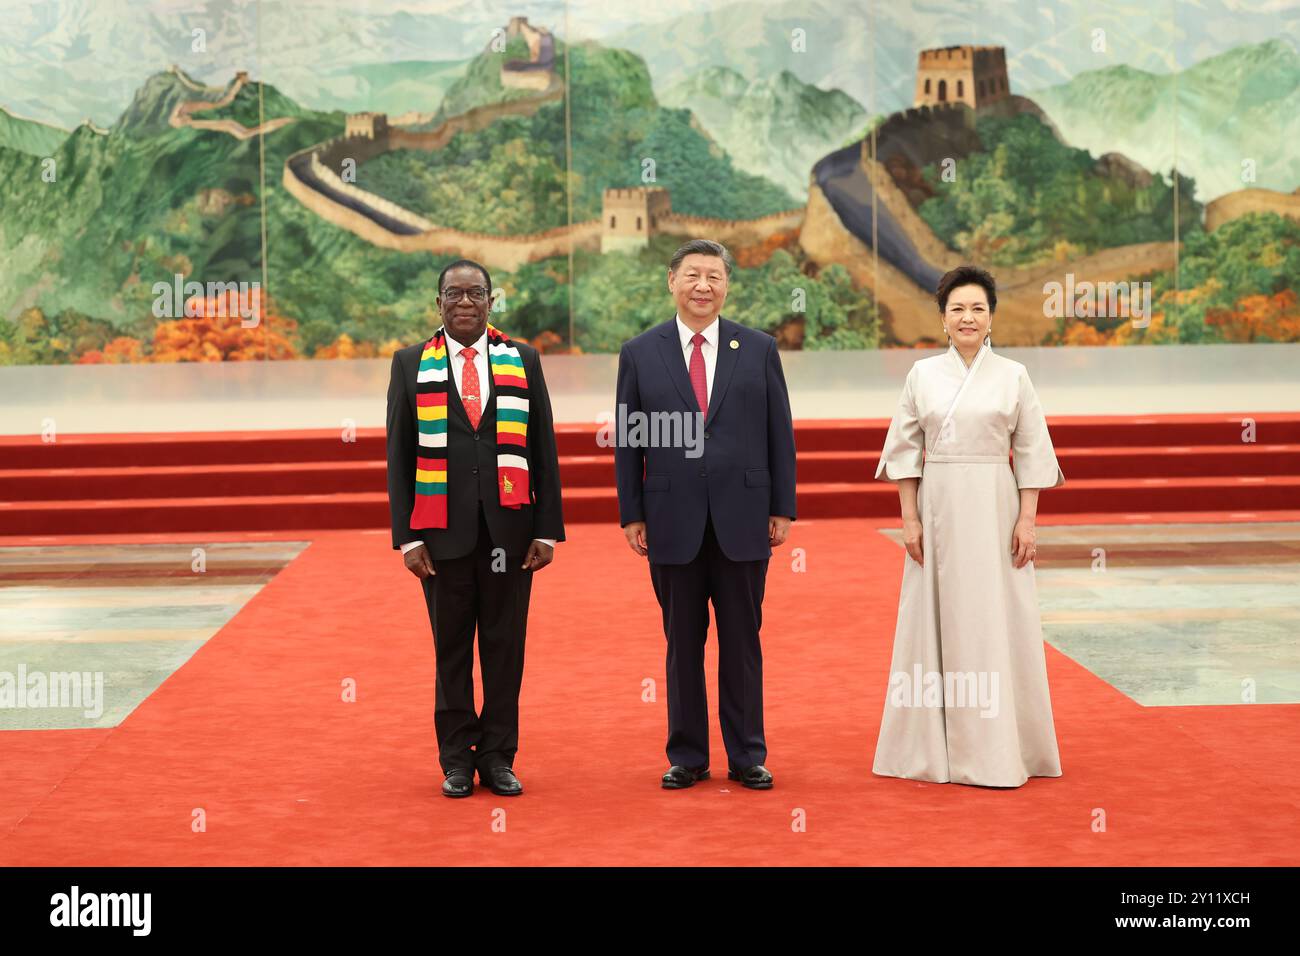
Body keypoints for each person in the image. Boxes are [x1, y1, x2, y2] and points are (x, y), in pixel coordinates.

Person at [614, 239, 797, 791]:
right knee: (682, 644)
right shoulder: (641, 352)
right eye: (692, 275)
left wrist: (781, 507)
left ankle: (747, 754)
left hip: (744, 518)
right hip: (672, 519)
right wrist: (632, 512)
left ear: (726, 285)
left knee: (743, 641)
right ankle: (687, 755)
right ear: (671, 281)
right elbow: (629, 440)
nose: (703, 286)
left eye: (714, 276)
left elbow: (778, 434)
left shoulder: (759, 348)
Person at [872, 265, 1064, 788]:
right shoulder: (922, 375)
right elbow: (905, 452)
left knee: (997, 616)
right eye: (957, 308)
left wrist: (1027, 519)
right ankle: (930, 749)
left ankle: (1005, 749)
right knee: (936, 615)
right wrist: (908, 519)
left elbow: (1031, 451)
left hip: (996, 504)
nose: (968, 317)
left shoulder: (1014, 375)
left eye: (978, 308)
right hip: (937, 508)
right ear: (942, 319)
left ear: (991, 317)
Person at [386, 259, 565, 798]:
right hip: (441, 533)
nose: (465, 302)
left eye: (476, 293)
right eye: (454, 293)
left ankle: (498, 756)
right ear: (437, 301)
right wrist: (409, 537)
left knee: (506, 648)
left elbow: (544, 450)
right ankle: (456, 760)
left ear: (492, 301)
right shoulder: (410, 364)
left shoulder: (523, 360)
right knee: (452, 651)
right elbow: (398, 455)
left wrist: (547, 529)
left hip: (510, 532)